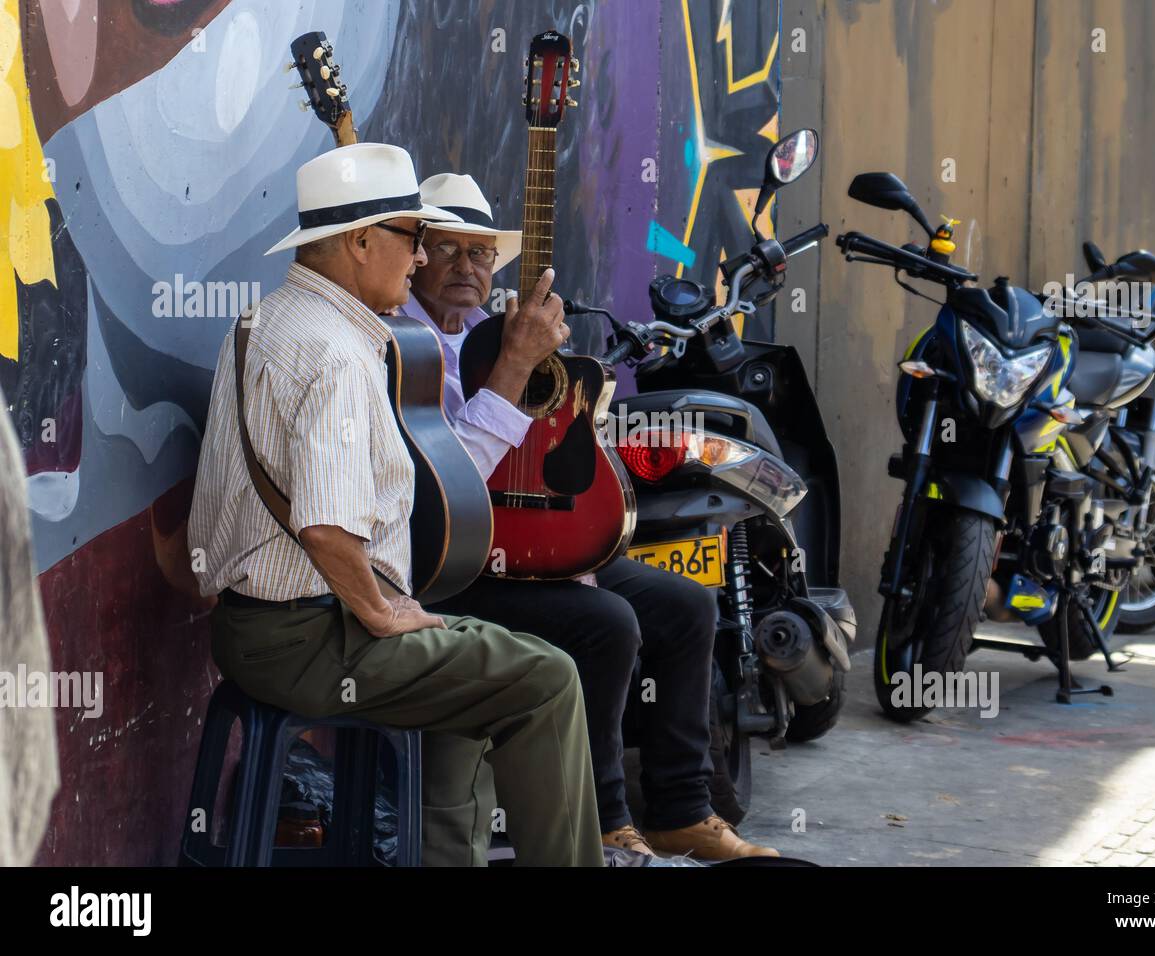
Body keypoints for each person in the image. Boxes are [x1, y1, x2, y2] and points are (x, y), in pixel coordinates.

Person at [187, 143, 604, 866]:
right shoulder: (339, 357)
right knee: (546, 680)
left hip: (250, 629)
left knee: (479, 667)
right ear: (358, 242)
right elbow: (324, 524)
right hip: (312, 639)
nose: (418, 260)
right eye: (413, 238)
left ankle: (448, 855)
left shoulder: (264, 321)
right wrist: (382, 612)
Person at [407, 172, 778, 861]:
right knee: (608, 624)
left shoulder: (495, 330)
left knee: (687, 607)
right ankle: (606, 819)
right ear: (415, 255)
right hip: (454, 561)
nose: (468, 268)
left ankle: (680, 810)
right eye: (449, 250)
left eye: (481, 253)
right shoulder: (404, 342)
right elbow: (444, 481)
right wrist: (516, 366)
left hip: (530, 545)